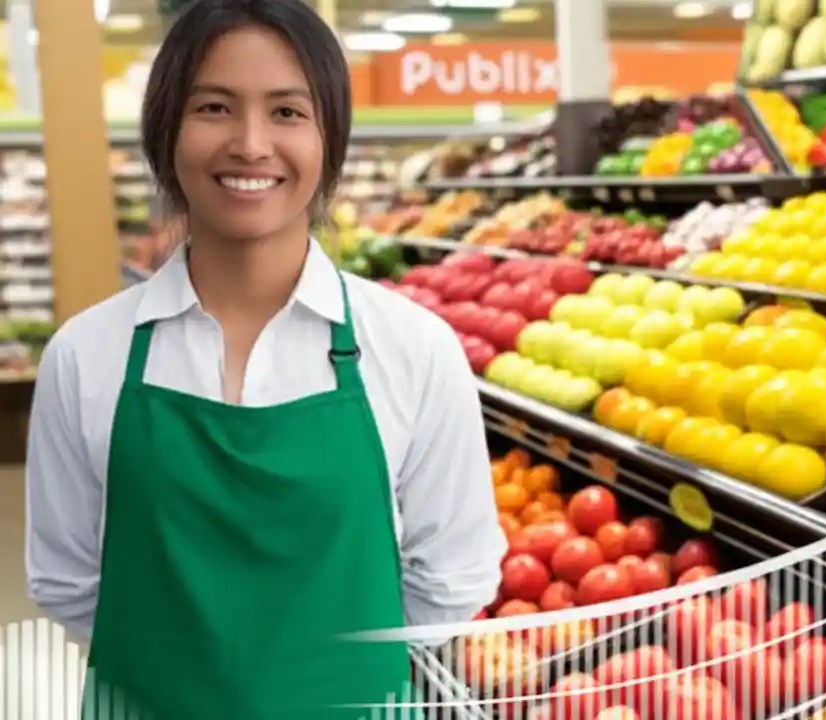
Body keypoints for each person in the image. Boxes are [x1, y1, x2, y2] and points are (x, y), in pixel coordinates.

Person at [24, 0, 506, 716]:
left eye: (287, 112)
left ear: (329, 138)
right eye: (215, 107)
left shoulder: (412, 348)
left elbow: (454, 578)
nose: (251, 144)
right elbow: (67, 580)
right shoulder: (85, 357)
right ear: (166, 131)